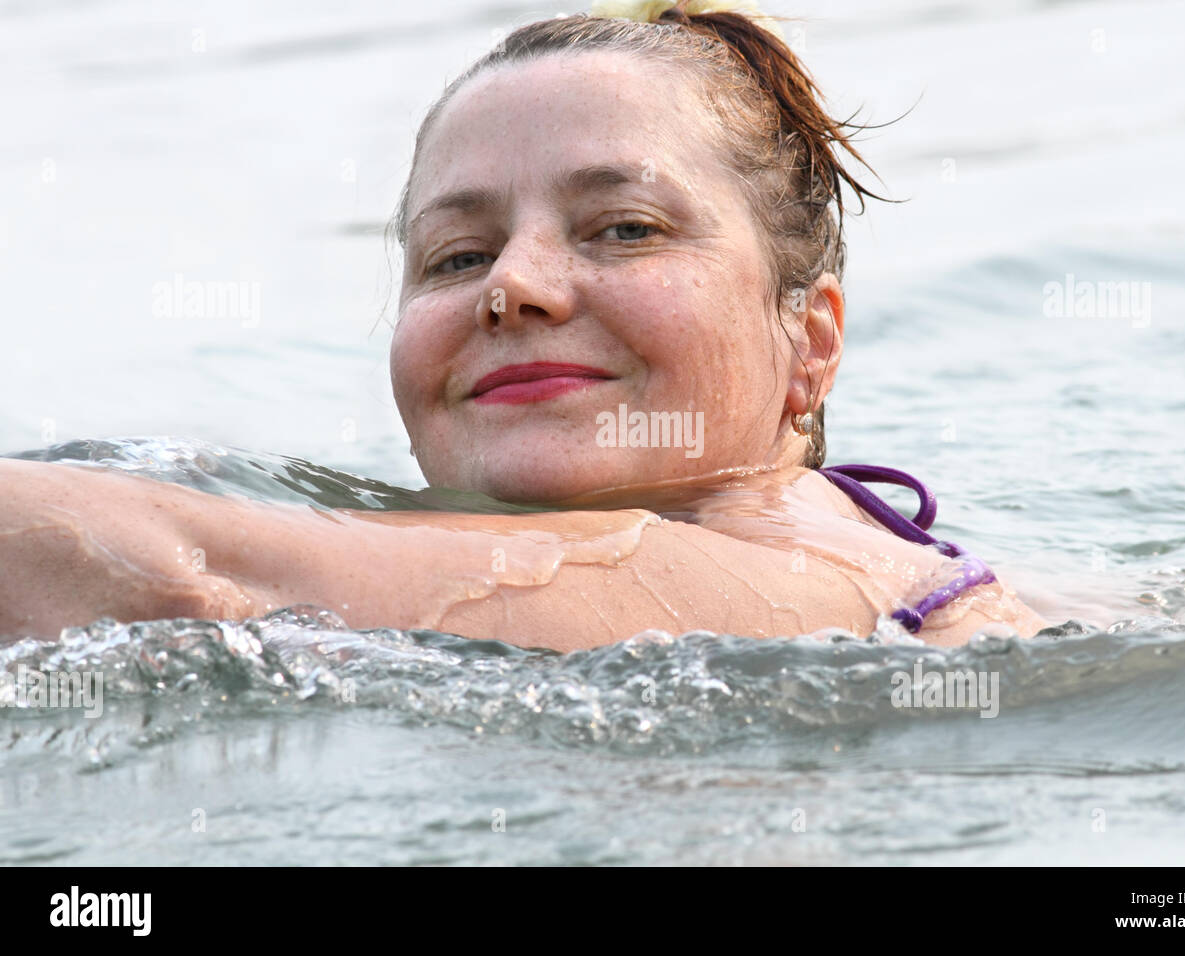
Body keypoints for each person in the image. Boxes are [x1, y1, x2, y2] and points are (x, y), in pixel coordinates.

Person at [0, 1, 1048, 651]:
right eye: (456, 256)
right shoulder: (920, 580)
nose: (515, 285)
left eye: (624, 229)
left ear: (810, 339)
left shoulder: (758, 577)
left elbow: (166, 571)